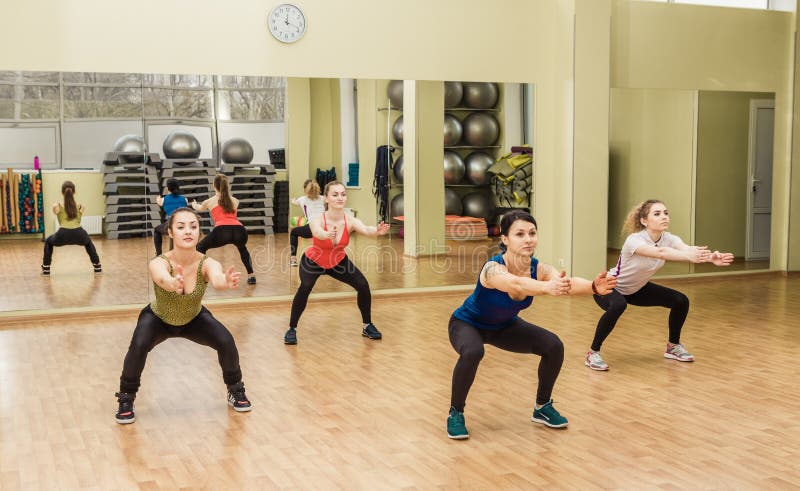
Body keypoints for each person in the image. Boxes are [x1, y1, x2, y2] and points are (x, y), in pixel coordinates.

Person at [446, 209, 617, 440]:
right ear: (505, 239)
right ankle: (455, 413)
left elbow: (564, 283)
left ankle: (542, 406)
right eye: (520, 234)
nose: (528, 239)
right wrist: (546, 287)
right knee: (474, 351)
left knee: (553, 346)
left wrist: (593, 287)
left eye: (532, 233)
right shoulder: (492, 268)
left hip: (504, 326)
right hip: (467, 324)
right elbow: (515, 284)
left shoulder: (539, 268)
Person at [114, 207, 252, 424]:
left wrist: (225, 282)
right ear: (170, 232)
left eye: (193, 226)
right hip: (158, 318)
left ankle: (235, 389)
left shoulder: (207, 262)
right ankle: (126, 398)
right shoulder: (159, 262)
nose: (188, 231)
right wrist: (172, 283)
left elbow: (216, 278)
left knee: (226, 341)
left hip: (193, 318)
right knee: (138, 345)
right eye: (181, 227)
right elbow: (161, 279)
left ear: (199, 232)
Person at [584, 199, 734, 371]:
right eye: (657, 214)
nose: (664, 217)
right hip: (610, 287)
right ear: (644, 221)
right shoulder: (634, 240)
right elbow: (660, 253)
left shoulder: (669, 238)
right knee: (619, 304)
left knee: (680, 300)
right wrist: (690, 256)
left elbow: (686, 249)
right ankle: (592, 353)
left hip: (637, 289)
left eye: (665, 213)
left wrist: (710, 258)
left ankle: (673, 346)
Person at [283, 181, 390, 345]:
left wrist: (377, 231)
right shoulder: (316, 219)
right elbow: (317, 232)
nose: (340, 198)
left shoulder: (350, 221)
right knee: (304, 288)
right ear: (325, 198)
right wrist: (326, 235)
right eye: (335, 194)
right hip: (314, 261)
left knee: (362, 285)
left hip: (338, 261)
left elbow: (366, 229)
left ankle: (367, 325)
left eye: (343, 194)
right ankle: (292, 328)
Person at [191, 174, 257, 285]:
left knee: (200, 247)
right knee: (243, 249)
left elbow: (199, 208)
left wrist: (194, 204)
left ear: (213, 186)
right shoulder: (235, 201)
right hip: (239, 231)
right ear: (227, 186)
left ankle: (203, 275)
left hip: (222, 231)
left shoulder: (209, 201)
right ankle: (252, 276)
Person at [41, 180, 101, 276]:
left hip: (62, 234)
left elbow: (57, 212)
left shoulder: (56, 206)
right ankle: (97, 266)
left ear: (62, 192)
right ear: (74, 192)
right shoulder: (81, 206)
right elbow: (77, 218)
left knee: (48, 241)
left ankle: (46, 269)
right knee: (88, 242)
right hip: (79, 233)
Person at [289, 179, 325, 267]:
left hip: (311, 229)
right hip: (325, 227)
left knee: (293, 232)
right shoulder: (323, 198)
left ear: (305, 189)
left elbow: (294, 203)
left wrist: (292, 200)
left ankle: (293, 259)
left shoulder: (302, 199)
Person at [153, 178, 188, 256]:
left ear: (168, 188)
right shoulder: (184, 199)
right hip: (183, 224)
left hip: (171, 223)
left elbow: (159, 202)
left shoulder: (164, 199)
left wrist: (158, 199)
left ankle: (158, 254)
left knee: (156, 230)